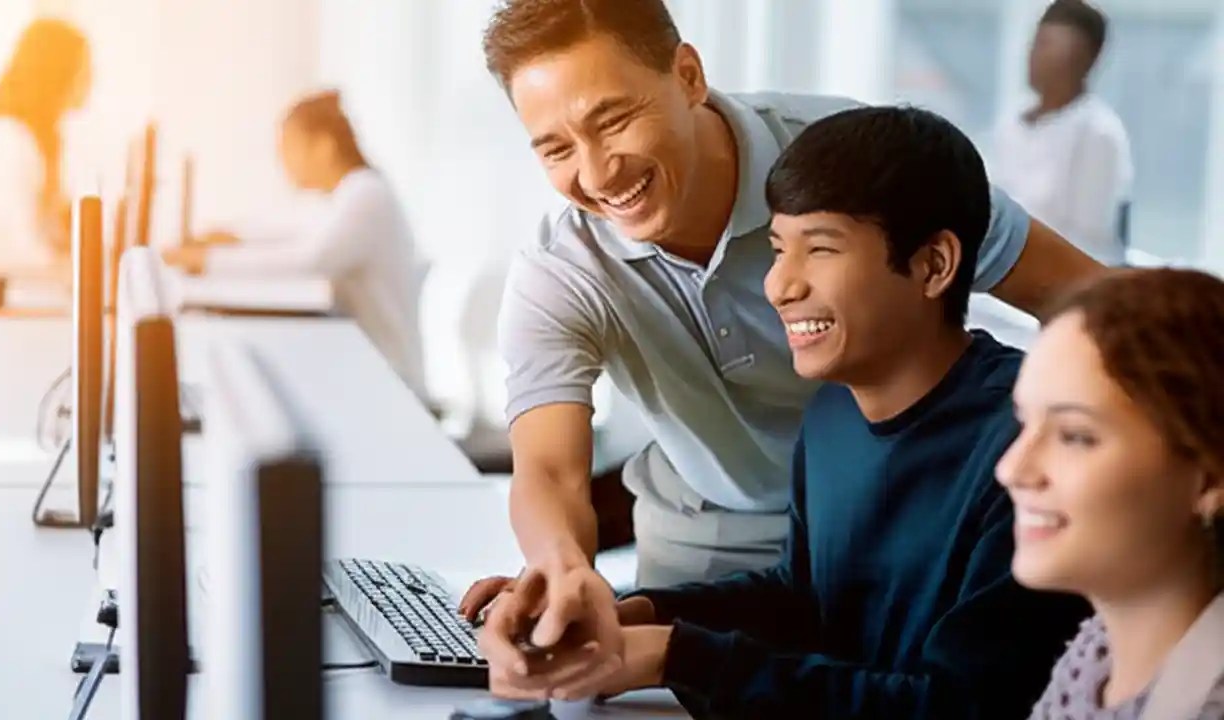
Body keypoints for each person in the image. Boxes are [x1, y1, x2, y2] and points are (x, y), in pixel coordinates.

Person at [464, 0, 1105, 685]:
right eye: (556, 149)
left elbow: (1100, 305)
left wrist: (1082, 442)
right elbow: (552, 473)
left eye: (614, 120)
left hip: (913, 497)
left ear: (687, 75)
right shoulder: (561, 269)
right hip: (748, 537)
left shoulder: (855, 159)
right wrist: (567, 579)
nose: (596, 175)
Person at [997, 268, 1224, 719]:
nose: (1011, 470)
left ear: (1209, 478)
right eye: (1025, 423)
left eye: (1075, 436)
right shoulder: (1095, 653)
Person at [164, 90, 428, 399]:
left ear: (324, 147)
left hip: (392, 384)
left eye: (289, 149)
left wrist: (206, 260)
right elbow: (291, 229)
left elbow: (311, 259)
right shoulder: (344, 196)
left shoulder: (367, 195)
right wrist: (230, 237)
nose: (283, 162)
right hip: (367, 371)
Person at [0, 18, 91, 366]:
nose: (90, 80)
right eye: (84, 69)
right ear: (58, 72)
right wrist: (79, 273)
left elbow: (40, 236)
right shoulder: (8, 137)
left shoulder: (35, 139)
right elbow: (15, 246)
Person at [991, 0, 1133, 266]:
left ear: (1085, 58)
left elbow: (1089, 241)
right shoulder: (1011, 123)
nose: (1034, 55)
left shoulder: (1098, 133)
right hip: (1004, 272)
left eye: (1047, 45)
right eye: (1035, 43)